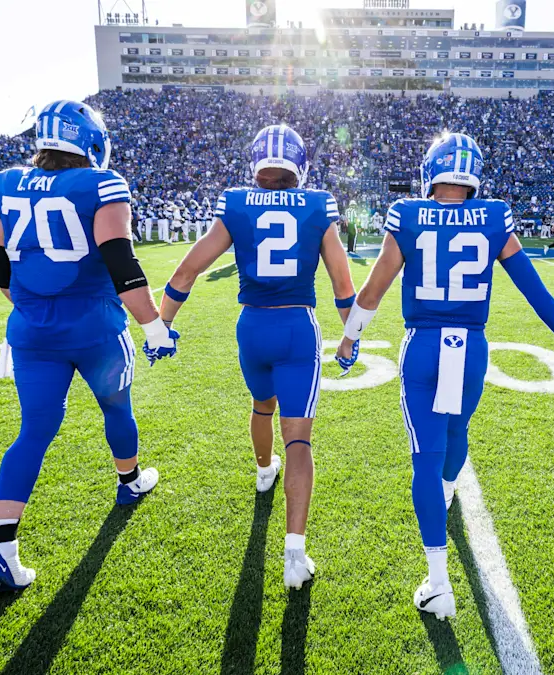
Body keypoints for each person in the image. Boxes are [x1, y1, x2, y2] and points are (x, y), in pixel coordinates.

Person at [336, 133, 554, 620]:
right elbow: (532, 286)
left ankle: (438, 581)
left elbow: (375, 286)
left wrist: (350, 337)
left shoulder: (407, 214)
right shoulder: (492, 216)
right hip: (470, 347)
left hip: (424, 343)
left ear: (432, 171)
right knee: (457, 431)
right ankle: (446, 494)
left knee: (425, 454)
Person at [0, 100, 177, 593]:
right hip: (94, 330)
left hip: (33, 332)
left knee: (34, 431)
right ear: (89, 140)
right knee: (115, 407)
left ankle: (0, 547)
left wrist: (32, 305)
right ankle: (128, 482)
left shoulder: (8, 182)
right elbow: (122, 263)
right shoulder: (101, 184)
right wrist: (154, 327)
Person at [156, 124, 356, 591]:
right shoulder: (317, 204)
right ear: (299, 166)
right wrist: (352, 336)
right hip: (296, 329)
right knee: (300, 441)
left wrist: (161, 323)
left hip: (252, 327)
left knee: (260, 406)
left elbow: (188, 270)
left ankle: (264, 470)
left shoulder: (237, 203)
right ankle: (294, 554)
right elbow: (343, 285)